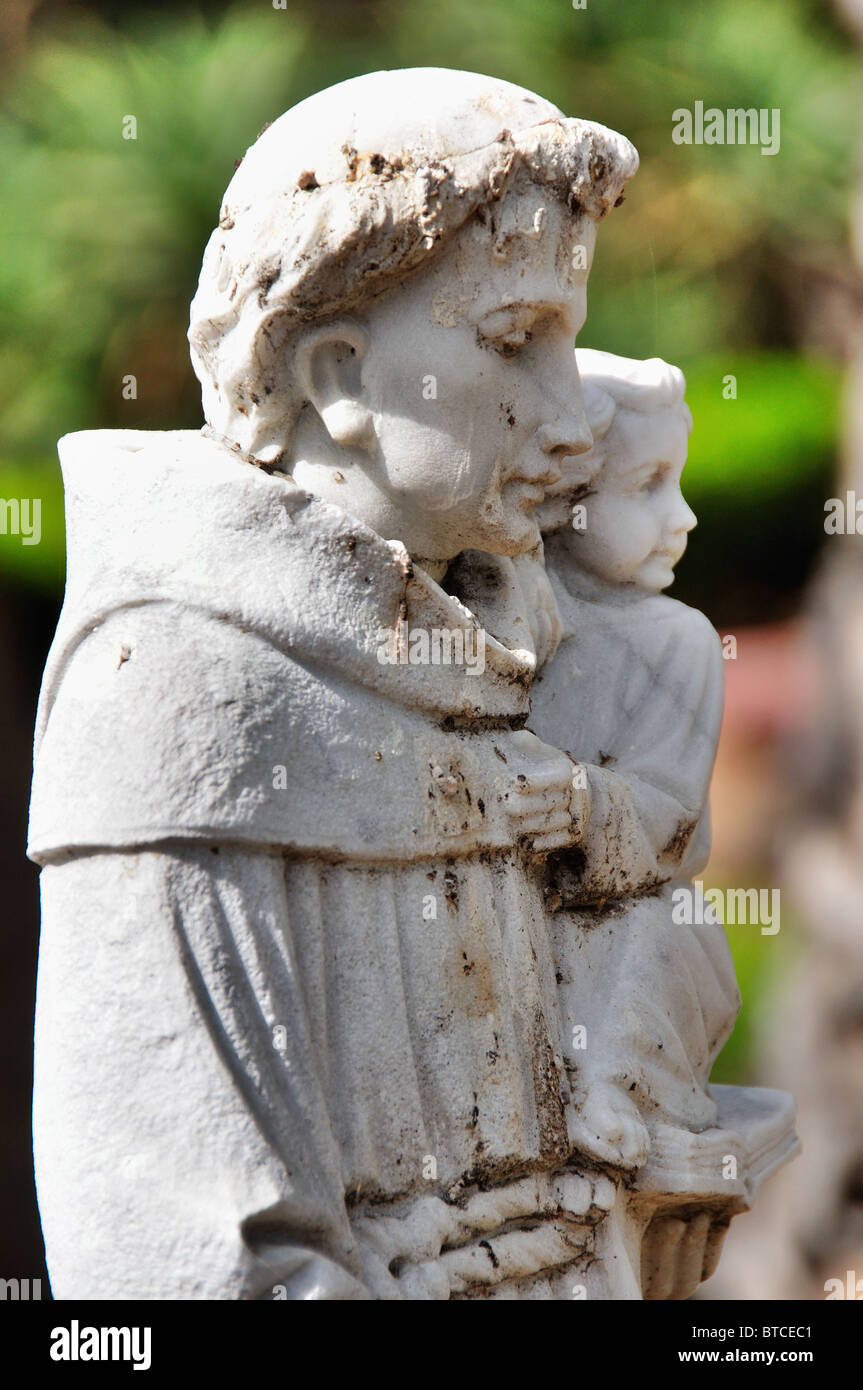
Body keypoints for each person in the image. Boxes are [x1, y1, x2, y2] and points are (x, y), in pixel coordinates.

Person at [29, 71, 637, 1298]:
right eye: (518, 341)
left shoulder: (510, 645)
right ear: (338, 376)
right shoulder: (178, 695)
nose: (580, 423)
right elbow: (176, 1259)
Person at [528, 349, 741, 1171]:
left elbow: (675, 824)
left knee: (649, 934)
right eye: (646, 486)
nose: (682, 515)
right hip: (530, 911)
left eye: (677, 483)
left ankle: (611, 1089)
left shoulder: (676, 640)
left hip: (636, 918)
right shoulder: (507, 615)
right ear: (559, 500)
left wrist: (587, 810)